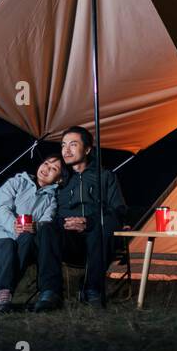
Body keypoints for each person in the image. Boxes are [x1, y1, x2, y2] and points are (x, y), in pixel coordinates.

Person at [34, 126, 126, 311]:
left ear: (87, 149)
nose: (66, 150)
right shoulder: (61, 179)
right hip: (68, 240)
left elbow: (118, 210)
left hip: (97, 239)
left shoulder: (105, 176)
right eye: (63, 145)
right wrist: (64, 223)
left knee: (103, 224)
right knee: (46, 227)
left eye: (73, 144)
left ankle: (92, 290)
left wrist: (89, 222)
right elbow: (51, 209)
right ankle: (50, 292)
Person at [0, 154, 64, 313]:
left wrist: (36, 226)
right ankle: (3, 291)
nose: (46, 169)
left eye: (53, 168)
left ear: (59, 180)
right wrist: (14, 225)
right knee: (8, 243)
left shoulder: (51, 199)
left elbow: (45, 222)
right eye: (46, 163)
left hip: (21, 245)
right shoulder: (17, 182)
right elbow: (1, 207)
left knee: (27, 237)